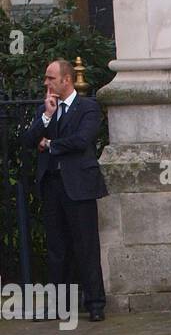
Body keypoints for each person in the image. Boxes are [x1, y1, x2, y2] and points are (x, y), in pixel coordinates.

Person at [22, 59, 108, 321]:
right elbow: (27, 140)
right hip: (52, 185)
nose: (46, 83)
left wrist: (49, 144)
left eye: (50, 78)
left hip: (79, 186)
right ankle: (62, 305)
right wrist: (47, 117)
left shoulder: (87, 107)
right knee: (57, 248)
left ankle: (95, 303)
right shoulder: (46, 109)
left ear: (66, 80)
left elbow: (82, 140)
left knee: (86, 246)